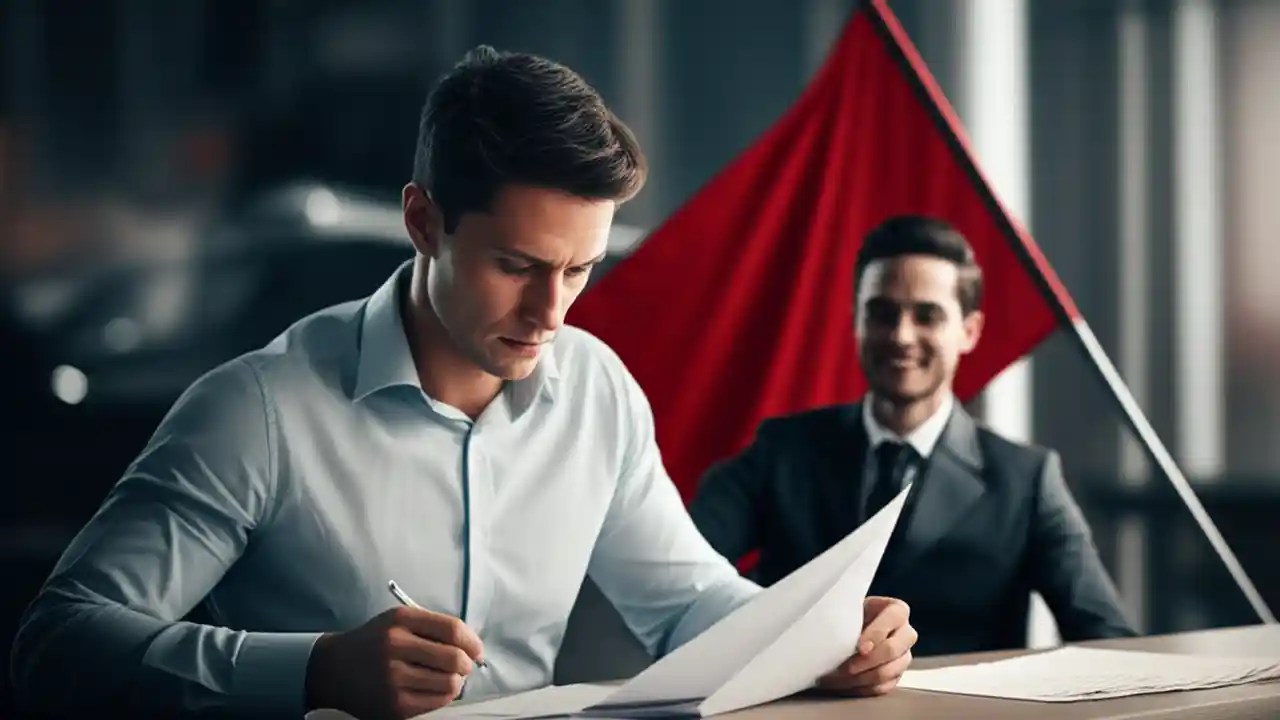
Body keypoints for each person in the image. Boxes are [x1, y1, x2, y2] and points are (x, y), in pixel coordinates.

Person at [11, 47, 917, 719]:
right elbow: (56, 646)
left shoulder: (596, 389)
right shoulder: (258, 410)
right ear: (423, 221)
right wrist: (316, 669)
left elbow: (685, 604)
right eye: (518, 265)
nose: (551, 311)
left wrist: (822, 637)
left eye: (580, 270)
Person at [690, 215, 1135, 658]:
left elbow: (1107, 641)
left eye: (927, 316)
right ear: (856, 321)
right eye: (882, 313)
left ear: (969, 331)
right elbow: (687, 574)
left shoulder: (1027, 480)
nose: (901, 336)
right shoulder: (781, 451)